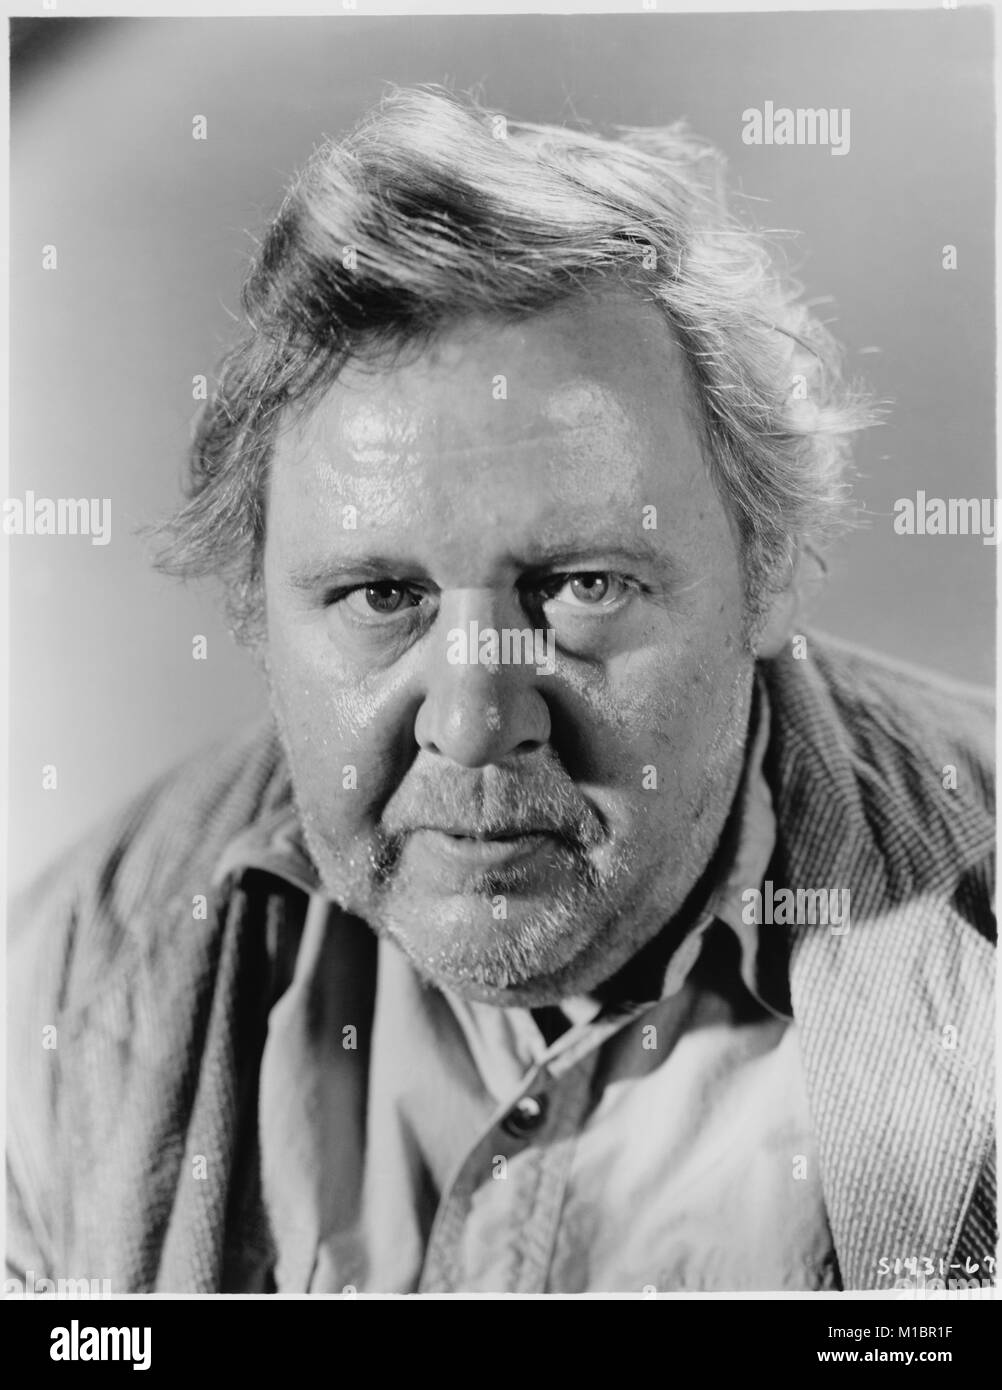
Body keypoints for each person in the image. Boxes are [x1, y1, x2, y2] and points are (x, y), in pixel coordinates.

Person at [7, 86, 994, 1295]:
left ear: (770, 568)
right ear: (255, 614)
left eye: (580, 585)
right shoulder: (68, 983)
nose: (474, 724)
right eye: (382, 597)